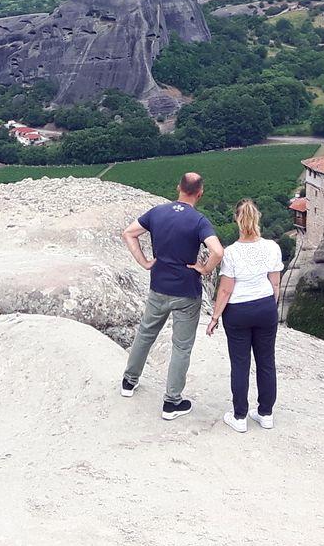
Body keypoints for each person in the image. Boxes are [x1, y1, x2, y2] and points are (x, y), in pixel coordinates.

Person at [120, 172, 223, 420]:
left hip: (158, 286)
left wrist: (145, 262)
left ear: (178, 188)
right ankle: (171, 402)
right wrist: (205, 269)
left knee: (145, 333)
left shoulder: (157, 212)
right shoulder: (199, 221)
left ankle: (128, 382)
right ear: (200, 192)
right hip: (186, 292)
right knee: (181, 347)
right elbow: (217, 251)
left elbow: (129, 233)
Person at [206, 199, 283, 432]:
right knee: (266, 361)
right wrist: (270, 307)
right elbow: (275, 284)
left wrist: (215, 317)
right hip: (265, 307)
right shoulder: (272, 247)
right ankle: (265, 413)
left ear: (237, 221)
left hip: (238, 311)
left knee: (240, 364)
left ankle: (240, 417)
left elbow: (226, 289)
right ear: (257, 218)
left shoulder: (230, 253)